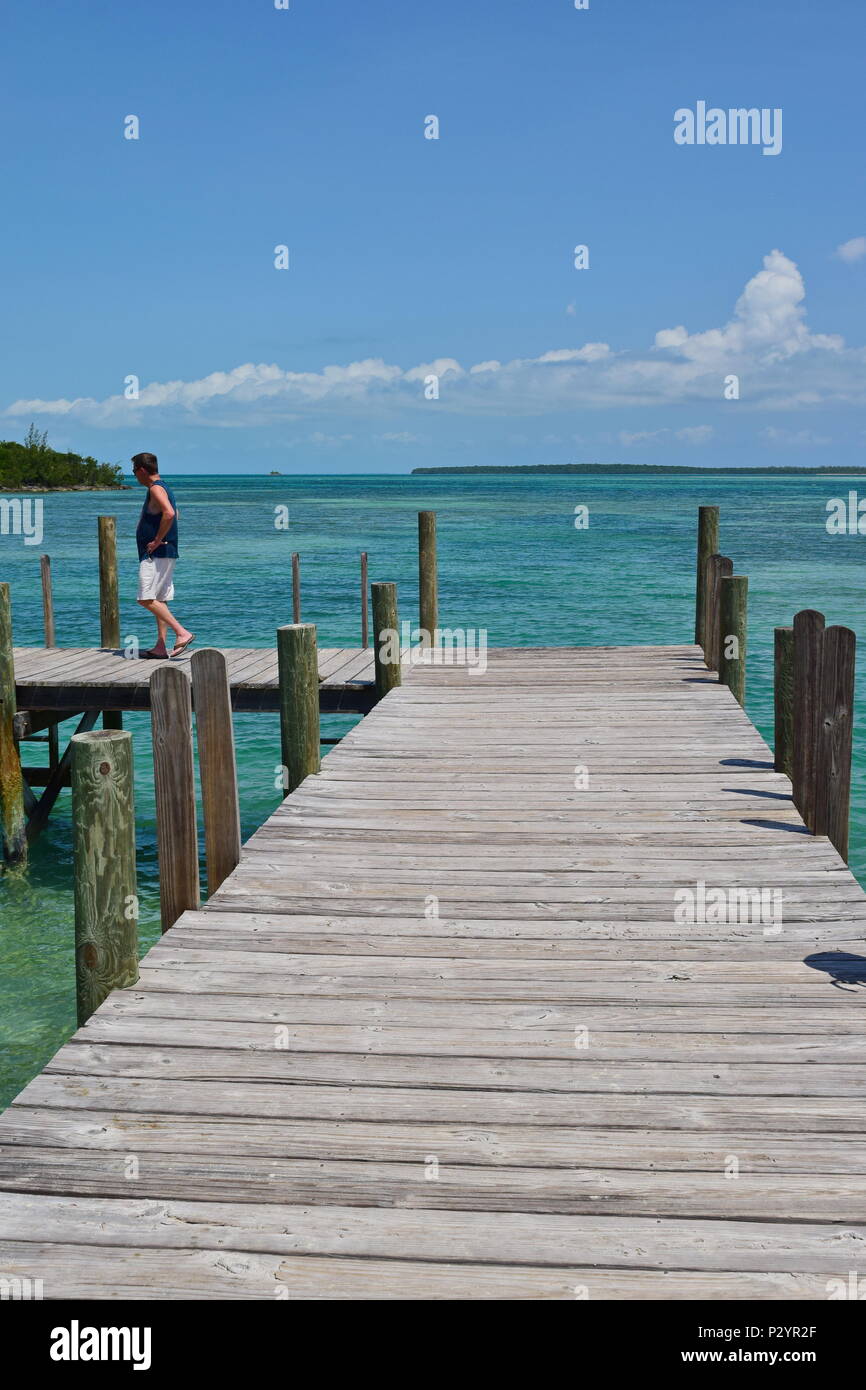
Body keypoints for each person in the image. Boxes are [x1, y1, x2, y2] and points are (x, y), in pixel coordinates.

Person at [131, 452, 195, 659]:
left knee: (145, 598)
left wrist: (157, 539)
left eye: (134, 471)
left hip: (156, 552)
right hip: (166, 551)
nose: (134, 476)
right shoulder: (165, 487)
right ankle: (160, 646)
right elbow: (174, 513)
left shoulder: (155, 488)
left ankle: (182, 632)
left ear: (142, 469)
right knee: (159, 599)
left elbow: (169, 513)